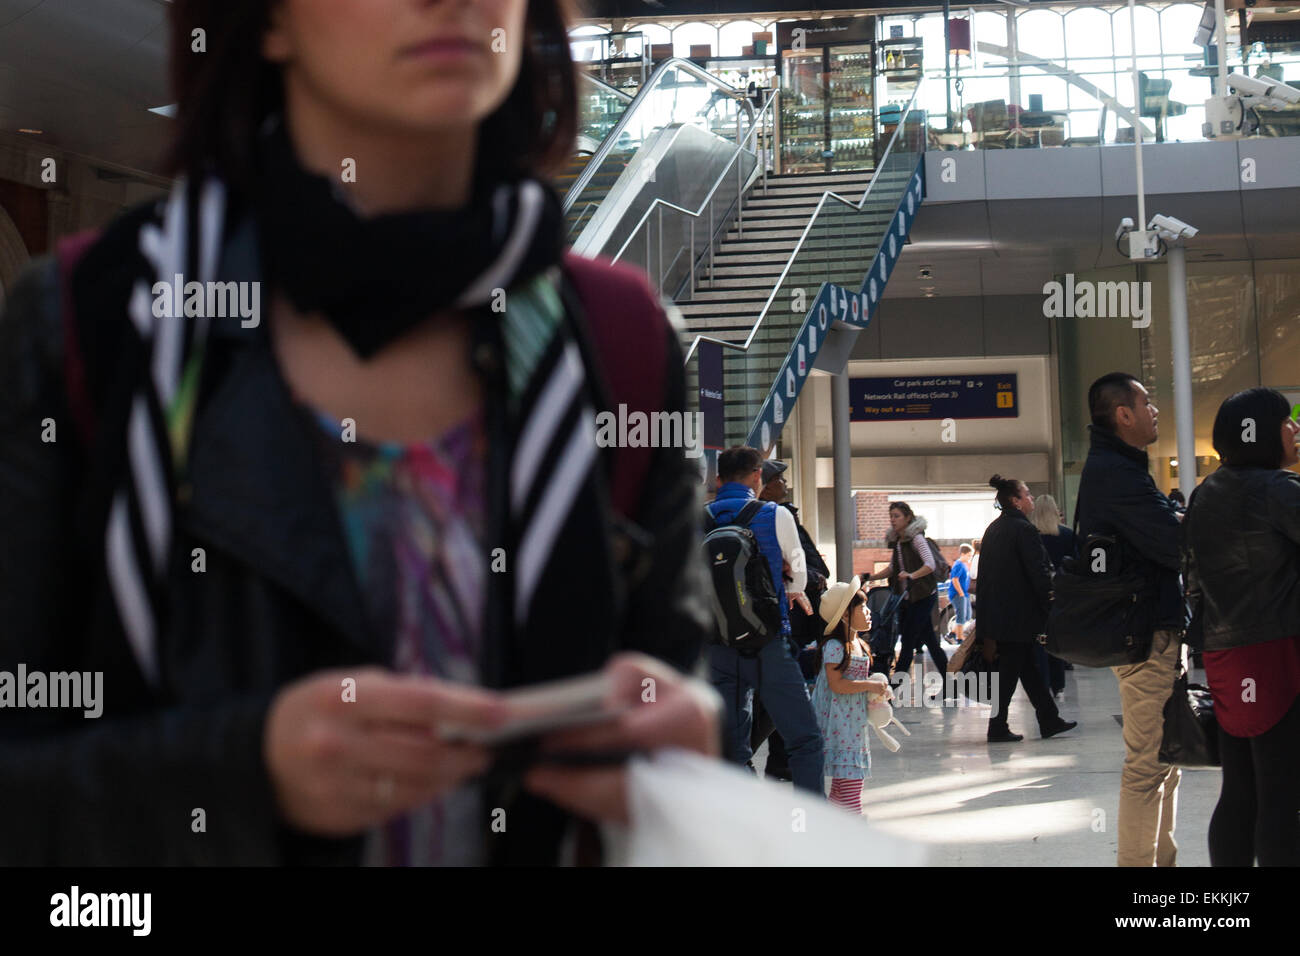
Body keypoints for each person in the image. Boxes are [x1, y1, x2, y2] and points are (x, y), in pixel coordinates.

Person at [0, 0, 719, 865]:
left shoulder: (616, 338)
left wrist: (683, 748)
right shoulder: (95, 324)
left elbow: (673, 687)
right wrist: (240, 772)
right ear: (266, 21)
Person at [1185, 388, 1300, 866]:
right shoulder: (1279, 490)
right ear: (1261, 433)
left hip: (1224, 654)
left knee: (1240, 787)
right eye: (1286, 421)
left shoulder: (1205, 493)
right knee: (1282, 792)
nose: (1295, 429)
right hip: (1277, 653)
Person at [1076, 372, 1185, 867]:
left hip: (1150, 629)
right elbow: (1174, 544)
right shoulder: (1117, 474)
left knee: (1165, 759)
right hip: (1144, 635)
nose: (1154, 410)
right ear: (1123, 414)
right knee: (1147, 763)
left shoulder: (1120, 468)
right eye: (1146, 402)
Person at [706, 446, 824, 795]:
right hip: (768, 644)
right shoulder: (775, 514)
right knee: (804, 739)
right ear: (758, 476)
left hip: (717, 647)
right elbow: (800, 577)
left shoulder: (698, 518)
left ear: (718, 480)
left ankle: (743, 817)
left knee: (731, 751)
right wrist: (786, 577)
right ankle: (810, 819)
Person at [977, 476, 1078, 743]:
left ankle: (1049, 719)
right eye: (1028, 494)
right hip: (1020, 615)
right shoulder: (1023, 529)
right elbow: (1038, 571)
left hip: (1002, 614)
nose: (1031, 498)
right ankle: (998, 726)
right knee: (1011, 672)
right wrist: (1050, 603)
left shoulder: (994, 529)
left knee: (1027, 668)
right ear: (1016, 501)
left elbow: (986, 577)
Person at [750, 458, 829, 782]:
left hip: (763, 623)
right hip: (784, 620)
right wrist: (808, 578)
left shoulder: (769, 515)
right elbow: (802, 567)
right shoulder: (777, 517)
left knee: (768, 699)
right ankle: (763, 759)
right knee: (779, 700)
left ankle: (774, 761)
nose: (785, 484)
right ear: (765, 484)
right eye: (780, 480)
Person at [811, 578, 891, 815]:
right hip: (840, 728)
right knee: (850, 788)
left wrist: (875, 689)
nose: (868, 612)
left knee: (842, 789)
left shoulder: (858, 644)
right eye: (862, 607)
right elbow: (837, 684)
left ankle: (831, 826)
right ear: (845, 615)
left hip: (852, 726)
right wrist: (870, 685)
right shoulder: (835, 646)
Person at [867, 502, 948, 680]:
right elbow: (892, 568)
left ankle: (896, 683)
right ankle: (950, 683)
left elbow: (930, 564)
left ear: (908, 517)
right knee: (931, 642)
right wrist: (870, 577)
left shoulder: (916, 539)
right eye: (891, 516)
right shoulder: (899, 542)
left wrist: (911, 575)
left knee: (908, 640)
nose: (893, 520)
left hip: (923, 596)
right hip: (911, 598)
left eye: (897, 516)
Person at [1029, 494, 1074, 702]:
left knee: (1039, 639)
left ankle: (1043, 682)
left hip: (1037, 593)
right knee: (1057, 638)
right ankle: (1058, 684)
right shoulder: (1067, 534)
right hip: (1063, 593)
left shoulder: (1030, 535)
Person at [946, 543, 973, 644]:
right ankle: (959, 638)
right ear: (963, 554)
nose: (970, 557)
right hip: (958, 594)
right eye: (969, 555)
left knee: (967, 616)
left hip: (965, 593)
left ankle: (952, 633)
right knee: (961, 615)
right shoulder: (958, 565)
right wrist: (961, 593)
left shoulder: (964, 565)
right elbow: (955, 579)